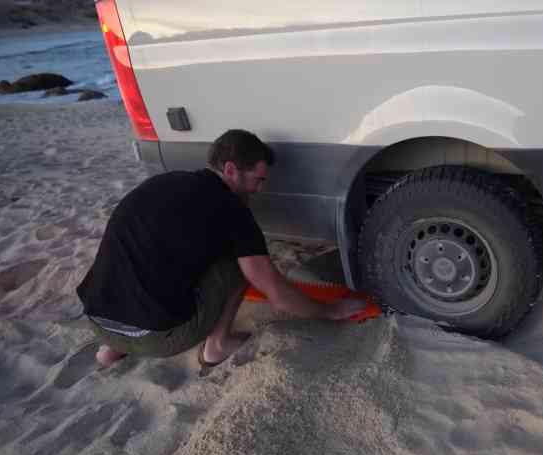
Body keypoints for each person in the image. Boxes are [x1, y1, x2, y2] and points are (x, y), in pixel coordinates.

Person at [76, 129, 365, 368]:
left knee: (142, 251)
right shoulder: (233, 212)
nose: (259, 189)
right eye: (258, 179)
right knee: (238, 267)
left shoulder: (161, 183)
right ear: (230, 170)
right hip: (155, 337)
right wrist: (330, 311)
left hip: (97, 320)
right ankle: (217, 345)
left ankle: (111, 351)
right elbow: (276, 294)